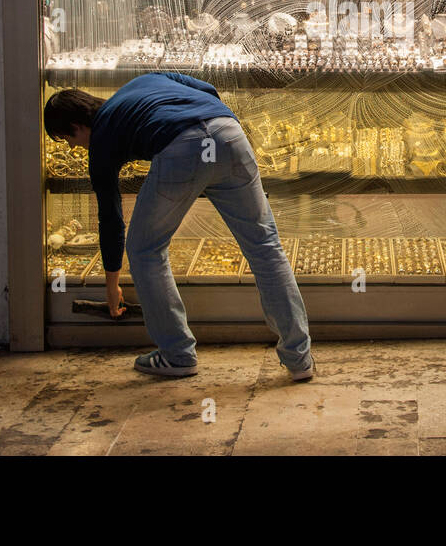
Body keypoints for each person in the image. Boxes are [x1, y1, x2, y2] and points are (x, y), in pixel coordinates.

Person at [43, 73, 313, 380]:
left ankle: (177, 354)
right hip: (229, 133)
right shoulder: (141, 84)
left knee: (145, 249)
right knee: (265, 246)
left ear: (76, 127)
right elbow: (206, 88)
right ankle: (299, 358)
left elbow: (110, 217)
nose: (75, 147)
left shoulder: (102, 137)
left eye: (69, 140)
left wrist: (110, 283)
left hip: (183, 148)